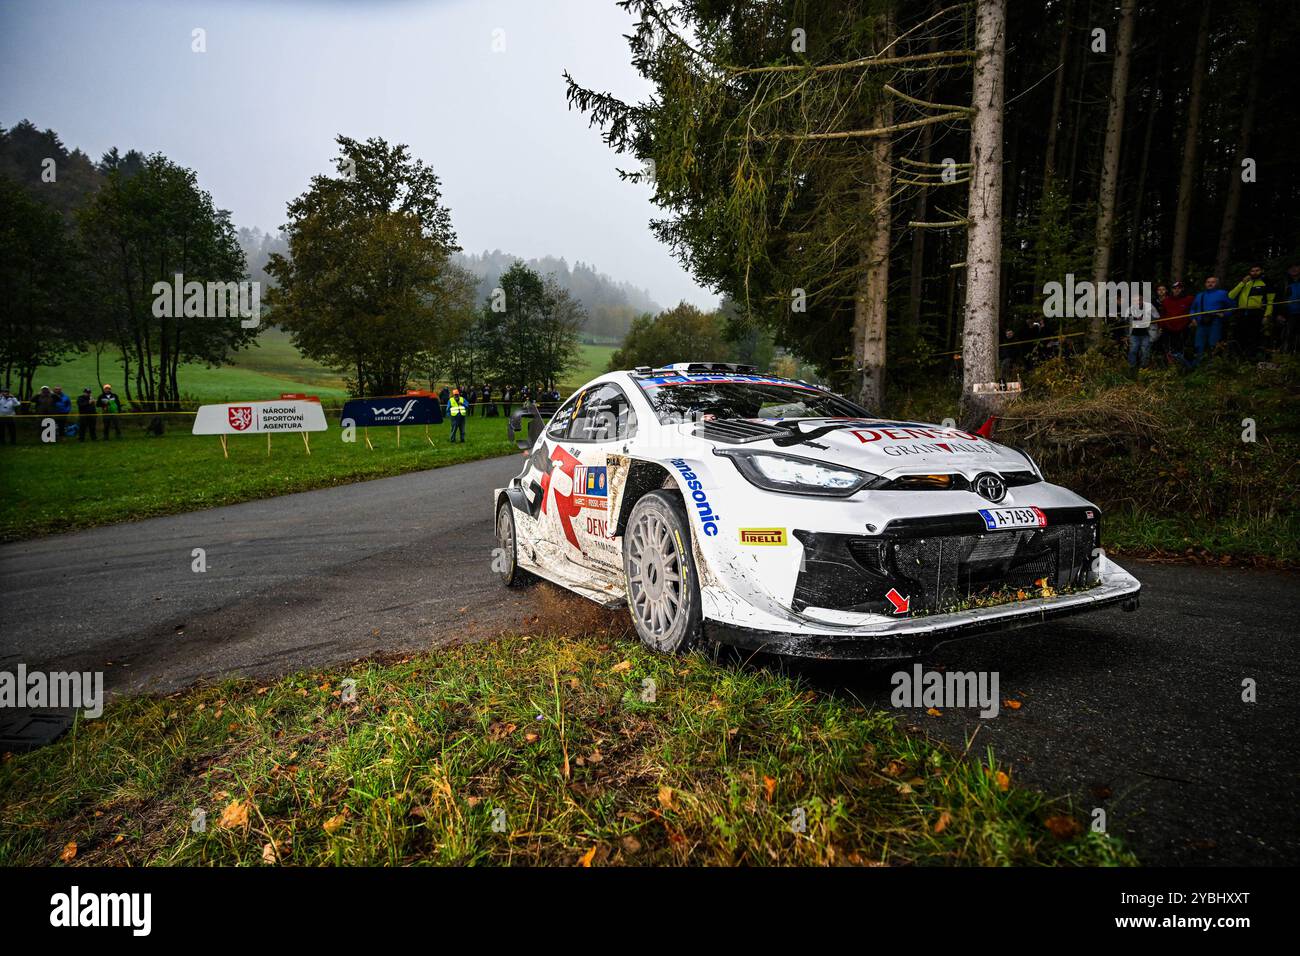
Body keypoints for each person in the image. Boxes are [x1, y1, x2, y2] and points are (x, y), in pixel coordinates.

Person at [1229, 265, 1274, 361]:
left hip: (1257, 313)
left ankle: (1252, 358)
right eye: (1252, 271)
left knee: (1254, 336)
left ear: (1262, 271)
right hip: (1241, 313)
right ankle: (1239, 359)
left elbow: (1271, 301)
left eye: (1257, 270)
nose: (1255, 272)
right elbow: (1231, 296)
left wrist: (1267, 315)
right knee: (1239, 336)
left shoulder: (1267, 283)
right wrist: (1242, 283)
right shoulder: (1246, 283)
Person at [1190, 276, 1234, 365]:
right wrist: (1193, 318)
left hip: (1215, 322)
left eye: (1213, 282)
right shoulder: (1200, 295)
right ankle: (1197, 364)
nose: (1210, 284)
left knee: (1213, 344)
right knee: (1198, 344)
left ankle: (1213, 365)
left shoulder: (1223, 293)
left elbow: (1232, 306)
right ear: (1205, 284)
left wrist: (1225, 314)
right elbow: (1192, 309)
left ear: (1217, 284)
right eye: (1208, 282)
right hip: (1201, 323)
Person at [1157, 280, 1194, 366]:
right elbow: (1163, 314)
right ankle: (1171, 366)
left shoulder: (1189, 299)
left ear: (1182, 289)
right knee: (1168, 349)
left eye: (1179, 288)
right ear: (1171, 290)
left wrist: (1193, 320)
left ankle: (1183, 366)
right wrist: (1160, 326)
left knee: (1181, 348)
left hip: (1183, 328)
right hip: (1168, 329)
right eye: (1174, 288)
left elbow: (1195, 309)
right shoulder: (1166, 300)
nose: (1177, 290)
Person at [1124, 292, 1158, 370]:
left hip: (1147, 333)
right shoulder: (1129, 309)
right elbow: (1126, 323)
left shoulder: (1150, 307)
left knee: (1145, 351)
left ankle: (1144, 368)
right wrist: (1126, 335)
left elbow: (1157, 318)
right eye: (1134, 300)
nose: (1137, 302)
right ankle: (1131, 367)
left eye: (1139, 300)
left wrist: (1146, 318)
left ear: (1142, 300)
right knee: (1133, 350)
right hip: (1134, 334)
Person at [1275, 263, 1300, 354]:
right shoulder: (1283, 284)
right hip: (1289, 315)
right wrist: (1279, 314)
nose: (1294, 269)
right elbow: (1277, 300)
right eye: (1291, 267)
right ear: (1288, 271)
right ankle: (1287, 357)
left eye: (1296, 266)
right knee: (1288, 337)